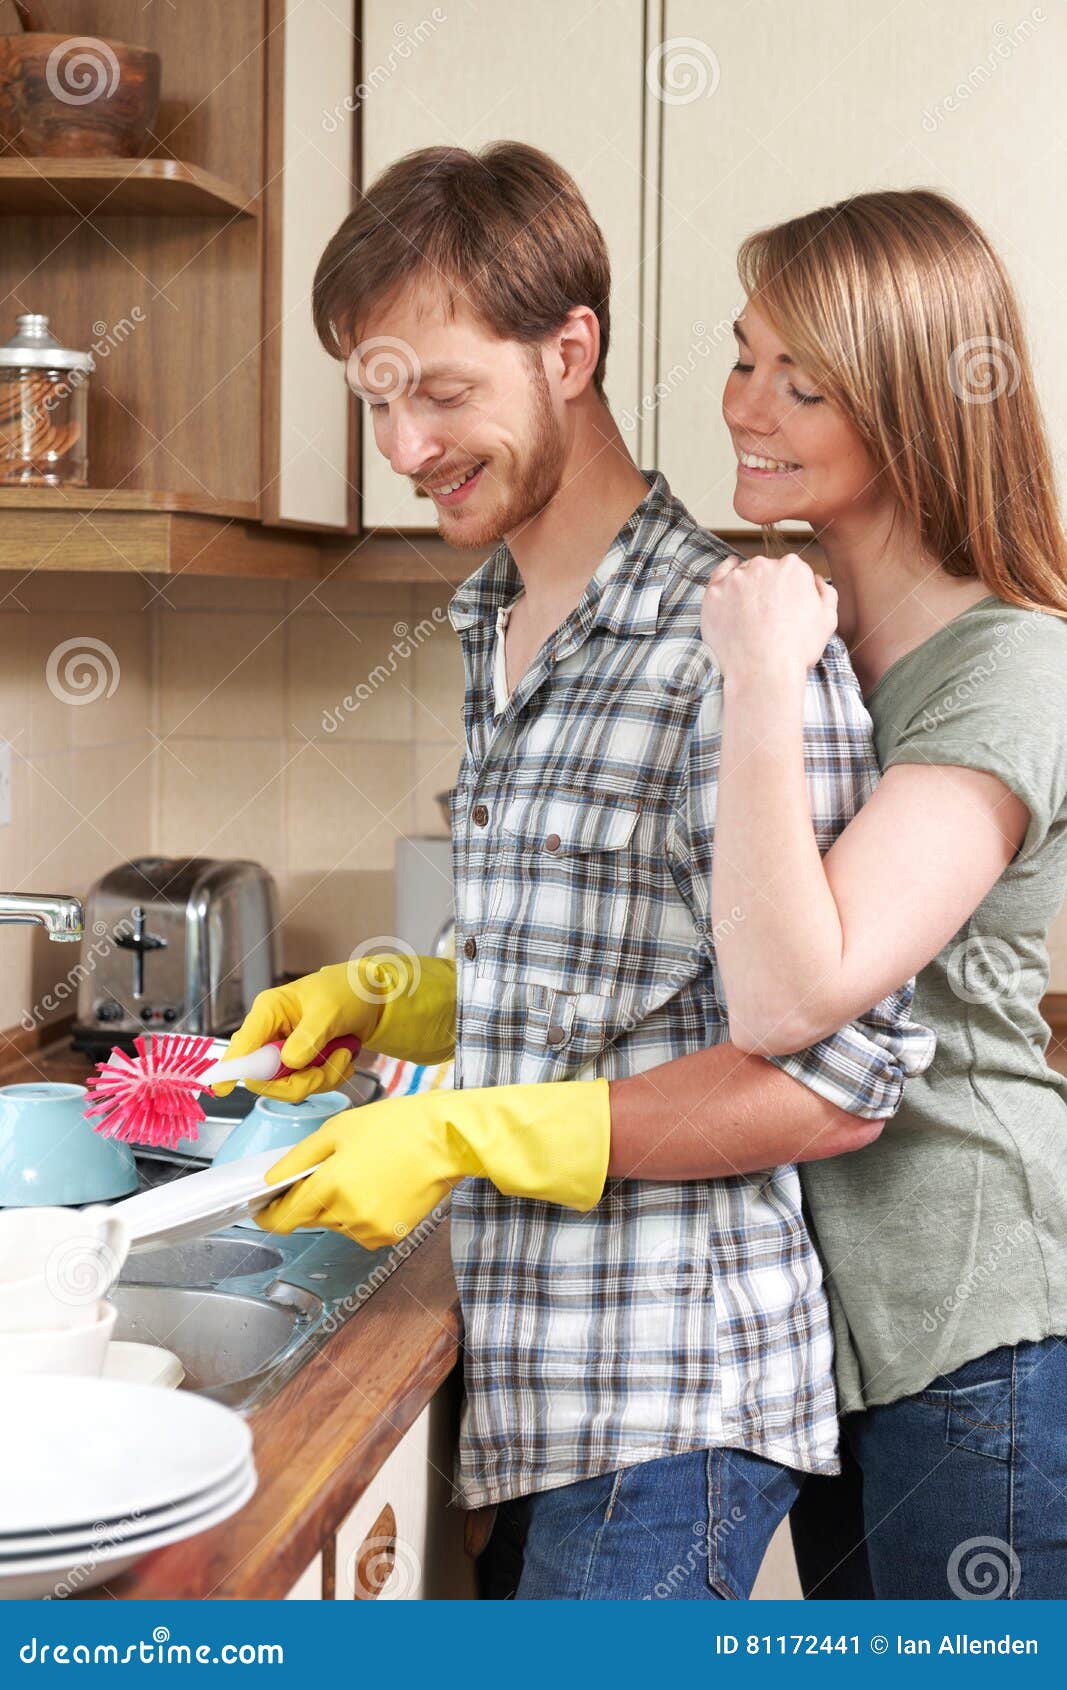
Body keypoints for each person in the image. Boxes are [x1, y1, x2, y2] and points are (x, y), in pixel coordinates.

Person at [216, 144, 932, 1600]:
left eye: (440, 391)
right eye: (376, 400)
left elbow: (837, 1079)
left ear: (568, 352)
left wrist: (459, 1135)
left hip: (666, 1397)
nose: (405, 445)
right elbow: (612, 969)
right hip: (533, 1373)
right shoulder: (497, 616)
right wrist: (397, 998)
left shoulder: (728, 643)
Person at [699, 188, 1067, 1600]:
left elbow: (794, 986)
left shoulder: (1012, 668)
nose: (749, 407)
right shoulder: (820, 641)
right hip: (833, 1343)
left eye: (806, 385)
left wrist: (756, 681)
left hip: (977, 1335)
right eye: (746, 359)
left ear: (914, 409)